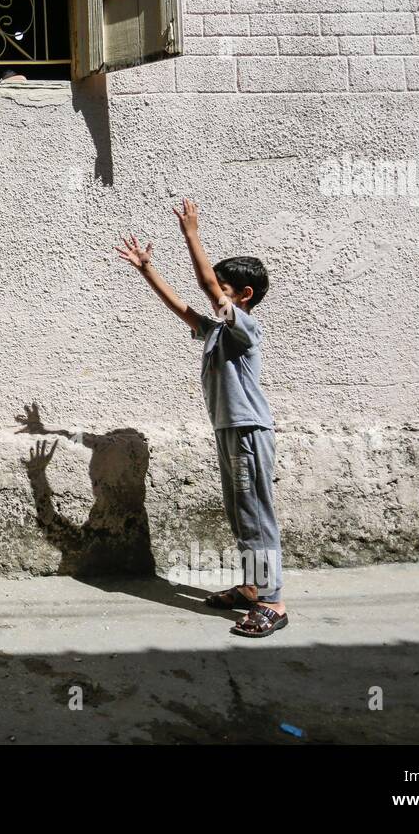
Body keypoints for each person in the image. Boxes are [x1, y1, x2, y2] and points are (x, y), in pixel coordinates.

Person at [114, 199, 287, 637]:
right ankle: (253, 587)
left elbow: (207, 289)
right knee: (238, 513)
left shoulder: (245, 328)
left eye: (224, 289)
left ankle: (273, 601)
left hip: (248, 431)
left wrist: (191, 234)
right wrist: (146, 270)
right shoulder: (216, 333)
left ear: (242, 296)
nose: (216, 294)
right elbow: (184, 308)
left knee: (254, 515)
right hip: (230, 432)